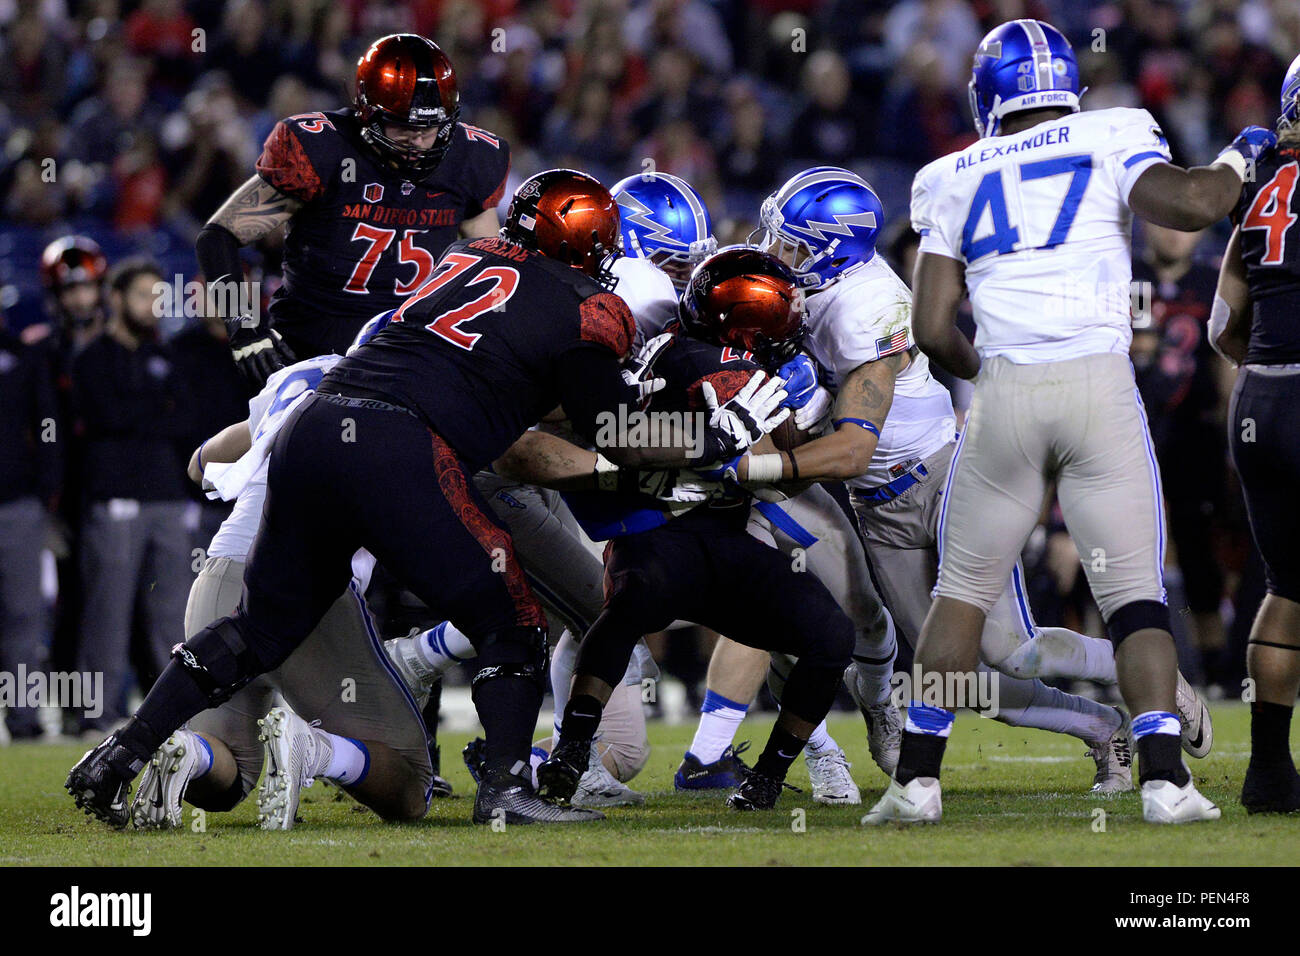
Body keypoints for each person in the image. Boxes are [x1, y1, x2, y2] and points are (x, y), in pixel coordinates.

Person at [66, 169, 786, 828]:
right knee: (512, 622)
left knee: (259, 628)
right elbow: (615, 431)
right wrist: (712, 435)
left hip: (316, 429)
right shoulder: (590, 306)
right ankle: (506, 790)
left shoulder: (462, 261)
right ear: (594, 245)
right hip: (401, 445)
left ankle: (123, 751)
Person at [866, 18, 1271, 826]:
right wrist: (1241, 153)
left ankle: (915, 782)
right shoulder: (1112, 129)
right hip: (1098, 384)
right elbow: (1193, 206)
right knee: (1133, 597)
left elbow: (935, 324)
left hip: (1006, 393)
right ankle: (1164, 780)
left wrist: (997, 372)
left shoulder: (947, 174)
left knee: (961, 596)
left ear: (989, 93)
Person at [537, 248, 854, 811]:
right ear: (752, 320)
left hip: (710, 535)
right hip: (670, 530)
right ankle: (574, 753)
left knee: (830, 636)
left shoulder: (680, 348)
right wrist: (809, 415)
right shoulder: (715, 362)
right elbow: (780, 467)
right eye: (782, 312)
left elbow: (770, 472)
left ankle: (758, 778)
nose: (793, 324)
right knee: (631, 607)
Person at [132, 320, 432, 831]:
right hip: (303, 591)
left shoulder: (303, 377)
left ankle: (189, 752)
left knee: (231, 765)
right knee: (410, 781)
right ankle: (312, 750)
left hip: (220, 571)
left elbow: (199, 463)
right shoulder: (400, 398)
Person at [194, 33, 510, 382]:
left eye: (431, 126)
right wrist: (244, 328)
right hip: (310, 349)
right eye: (404, 126)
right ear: (366, 112)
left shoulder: (470, 158)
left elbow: (488, 267)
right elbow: (218, 236)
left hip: (410, 352)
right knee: (260, 436)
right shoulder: (322, 148)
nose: (419, 140)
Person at [1209, 52, 1300, 814]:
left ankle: (1269, 771)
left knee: (1286, 585)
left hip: (1259, 402)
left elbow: (1218, 327)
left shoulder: (1260, 184)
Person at [70, 257, 194, 734]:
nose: (153, 306)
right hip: (114, 498)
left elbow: (184, 420)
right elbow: (106, 416)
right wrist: (153, 410)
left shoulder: (166, 356)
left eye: (159, 297)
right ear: (117, 299)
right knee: (108, 611)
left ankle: (174, 715)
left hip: (165, 497)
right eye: (144, 295)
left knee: (172, 616)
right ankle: (95, 715)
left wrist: (144, 412)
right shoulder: (92, 358)